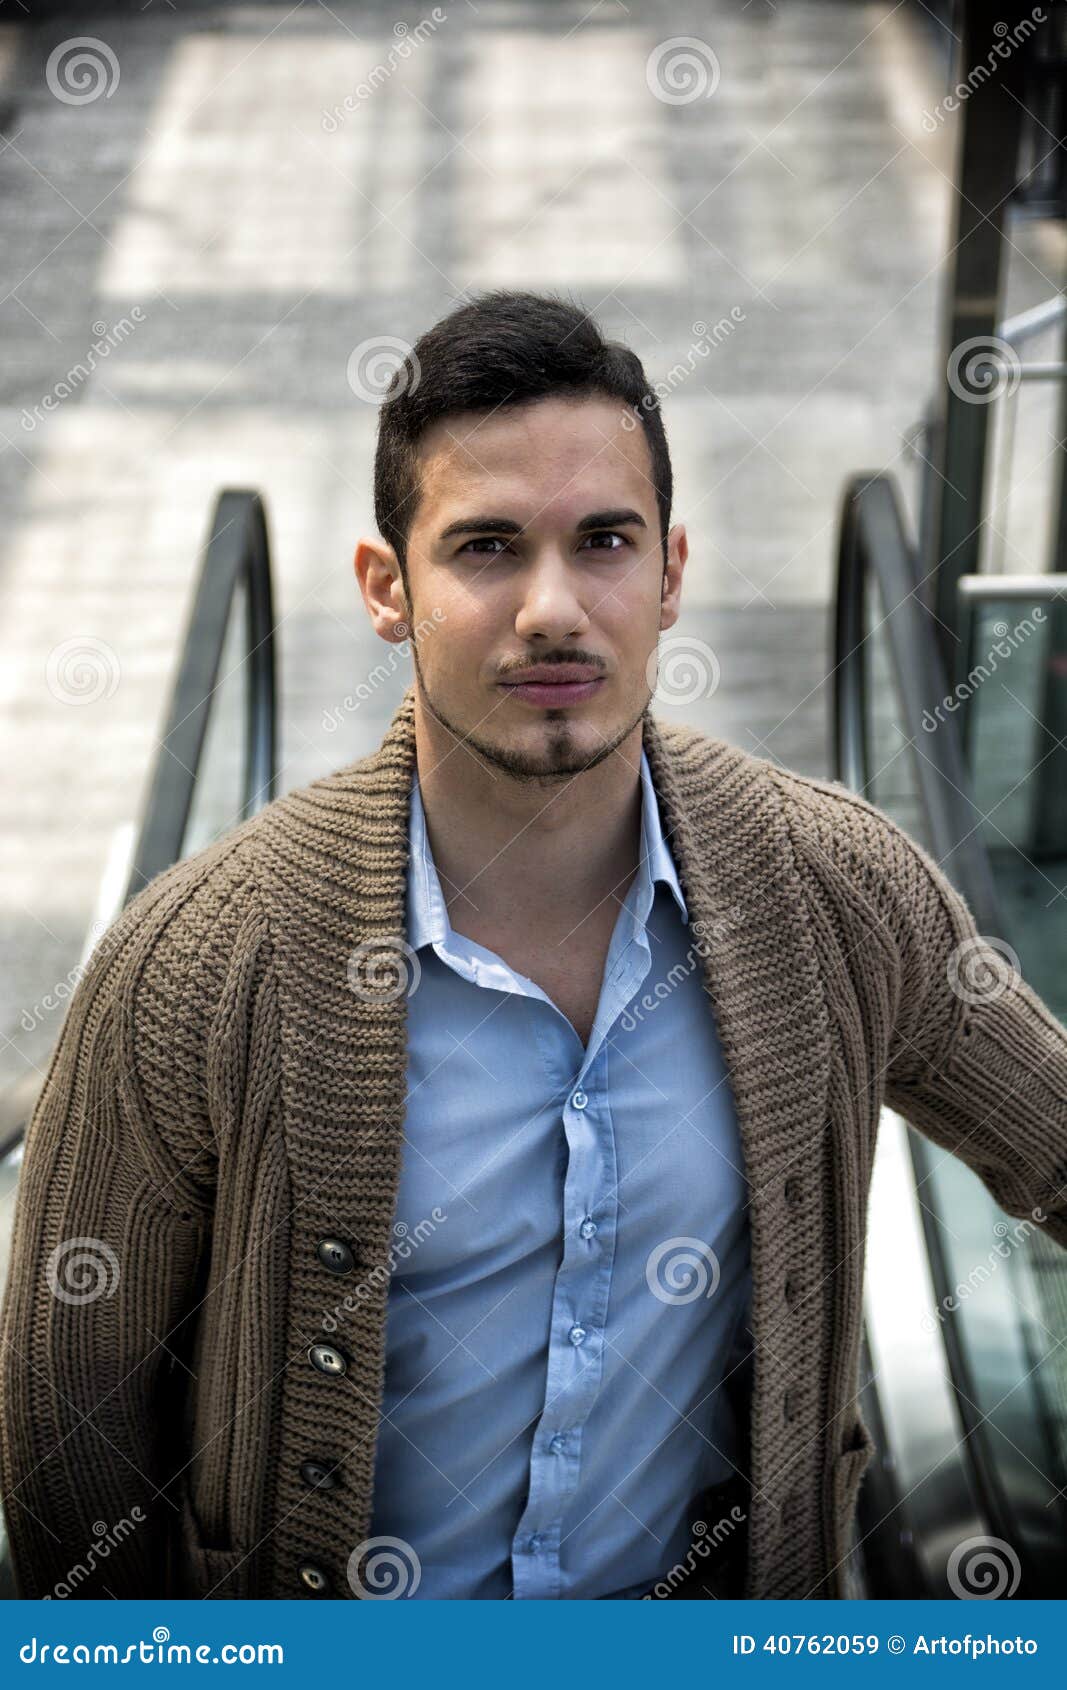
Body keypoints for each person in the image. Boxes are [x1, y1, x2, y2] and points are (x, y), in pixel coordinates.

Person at [1, 290, 1065, 1602]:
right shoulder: (197, 963)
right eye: (488, 548)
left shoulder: (837, 891)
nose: (554, 607)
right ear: (388, 588)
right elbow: (71, 1426)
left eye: (603, 541)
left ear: (670, 575)